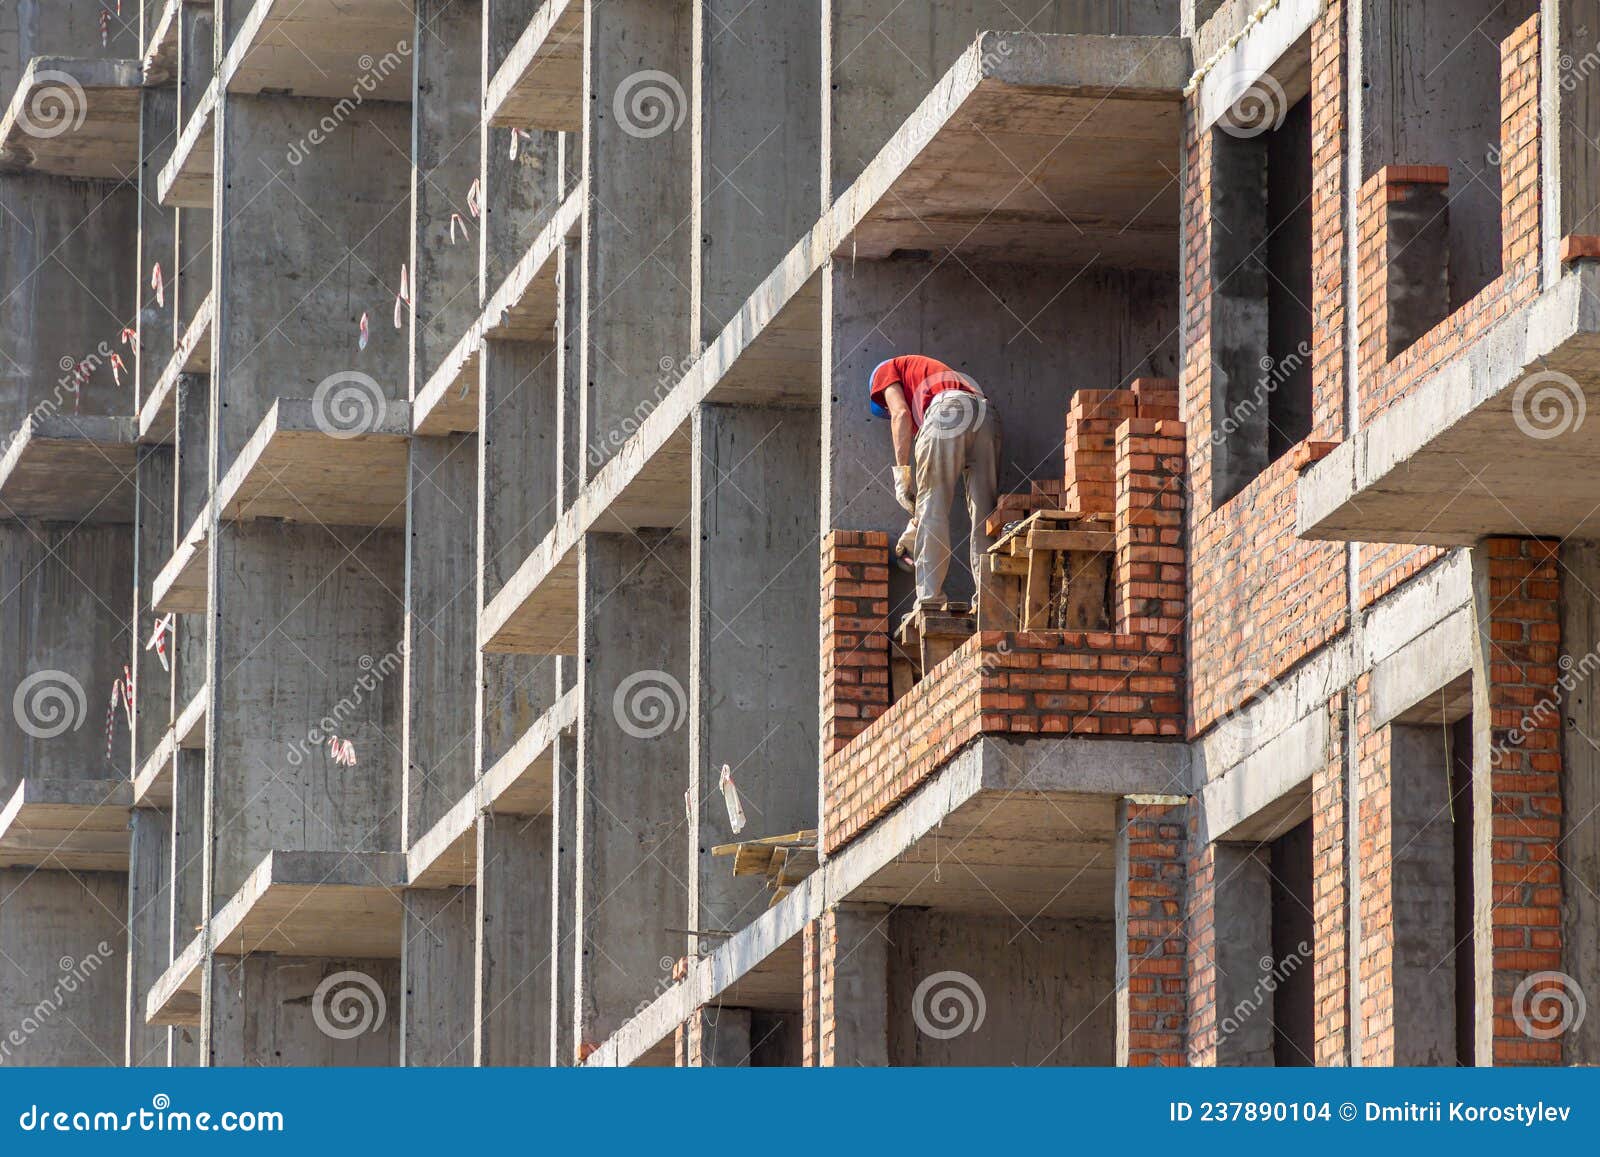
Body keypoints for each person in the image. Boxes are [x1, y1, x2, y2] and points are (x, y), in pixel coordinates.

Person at [868, 354, 1001, 608]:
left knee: (934, 507)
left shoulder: (885, 371)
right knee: (985, 514)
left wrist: (902, 476)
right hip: (986, 415)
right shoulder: (932, 378)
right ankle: (989, 603)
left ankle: (930, 601)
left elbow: (901, 415)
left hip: (947, 411)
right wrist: (915, 526)